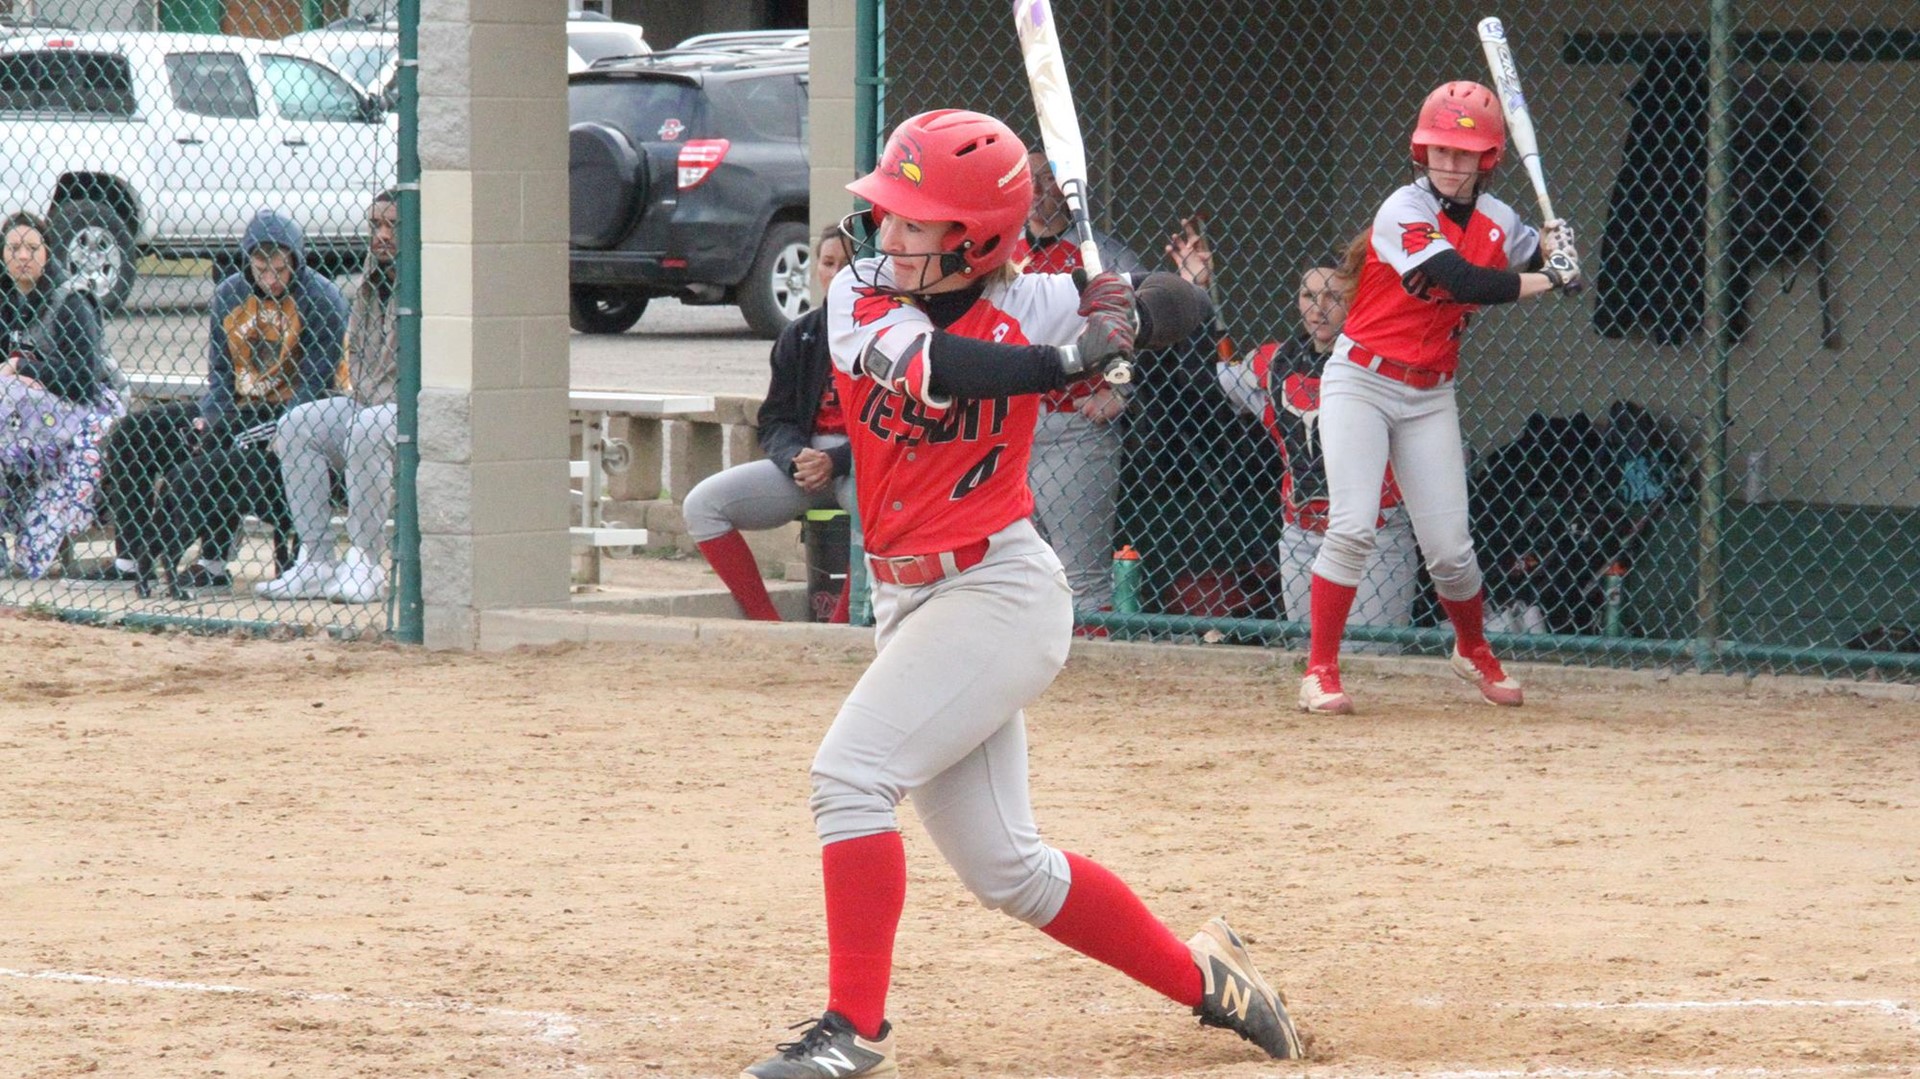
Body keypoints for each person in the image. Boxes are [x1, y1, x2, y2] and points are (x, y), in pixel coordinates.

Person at [740, 109, 1301, 1079]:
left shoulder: (1040, 298)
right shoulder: (861, 298)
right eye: (894, 214)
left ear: (975, 239)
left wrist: (1127, 308)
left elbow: (1187, 308)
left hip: (997, 593)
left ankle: (853, 1029)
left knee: (850, 775)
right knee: (1009, 868)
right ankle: (1214, 982)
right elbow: (941, 368)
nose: (891, 233)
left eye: (918, 222)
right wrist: (1071, 356)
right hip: (913, 602)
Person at [1299, 81, 1583, 715]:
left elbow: (1549, 268)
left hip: (1430, 394)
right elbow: (1457, 280)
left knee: (1452, 551)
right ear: (1421, 153)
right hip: (1361, 381)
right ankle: (1319, 670)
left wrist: (1558, 250)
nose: (1450, 165)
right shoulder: (1403, 209)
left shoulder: (1501, 221)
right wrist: (1547, 276)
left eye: (1464, 154)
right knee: (1351, 527)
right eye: (1439, 151)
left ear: (1486, 161)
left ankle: (1472, 648)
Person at [1172, 225, 1420, 651]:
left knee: (1372, 659)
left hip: (1374, 535)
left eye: (1333, 297)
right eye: (1309, 296)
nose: (1318, 309)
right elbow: (1201, 380)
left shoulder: (1388, 360)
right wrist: (1196, 295)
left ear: (1358, 299)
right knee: (1309, 657)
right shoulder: (1274, 362)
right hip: (1302, 533)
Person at [83, 209, 347, 597]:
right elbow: (221, 376)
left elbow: (315, 384)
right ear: (248, 264)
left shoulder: (321, 298)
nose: (271, 279)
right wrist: (207, 415)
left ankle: (212, 563)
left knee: (222, 444)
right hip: (237, 402)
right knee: (133, 434)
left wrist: (236, 426)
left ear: (296, 261)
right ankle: (132, 556)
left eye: (280, 269)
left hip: (290, 412)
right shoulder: (230, 295)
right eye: (261, 270)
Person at [682, 224, 855, 621]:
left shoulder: (893, 332)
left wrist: (838, 461)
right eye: (828, 264)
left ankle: (843, 624)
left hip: (862, 465)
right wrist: (797, 457)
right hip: (808, 466)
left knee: (879, 512)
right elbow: (775, 419)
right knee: (703, 505)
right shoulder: (801, 335)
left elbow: (895, 427)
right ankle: (767, 622)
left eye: (849, 265)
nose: (837, 274)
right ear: (817, 271)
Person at [1016, 149, 1145, 619]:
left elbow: (1140, 330)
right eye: (1028, 179)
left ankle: (1089, 672)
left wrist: (1120, 388)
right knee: (1018, 568)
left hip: (1073, 426)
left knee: (1080, 574)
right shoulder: (1005, 251)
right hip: (1011, 424)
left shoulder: (1102, 256)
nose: (1037, 189)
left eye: (1049, 179)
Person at [254, 191, 400, 604]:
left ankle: (365, 562)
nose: (382, 236)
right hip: (370, 400)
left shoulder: (428, 275)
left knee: (369, 427)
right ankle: (316, 561)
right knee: (298, 423)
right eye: (375, 226)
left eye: (393, 226)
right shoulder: (373, 276)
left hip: (415, 408)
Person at [0, 210, 124, 578]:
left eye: (32, 247)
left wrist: (25, 370)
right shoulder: (5, 299)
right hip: (21, 413)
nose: (23, 256)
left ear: (48, 251)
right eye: (14, 248)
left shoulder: (69, 300)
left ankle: (34, 545)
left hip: (81, 406)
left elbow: (85, 380)